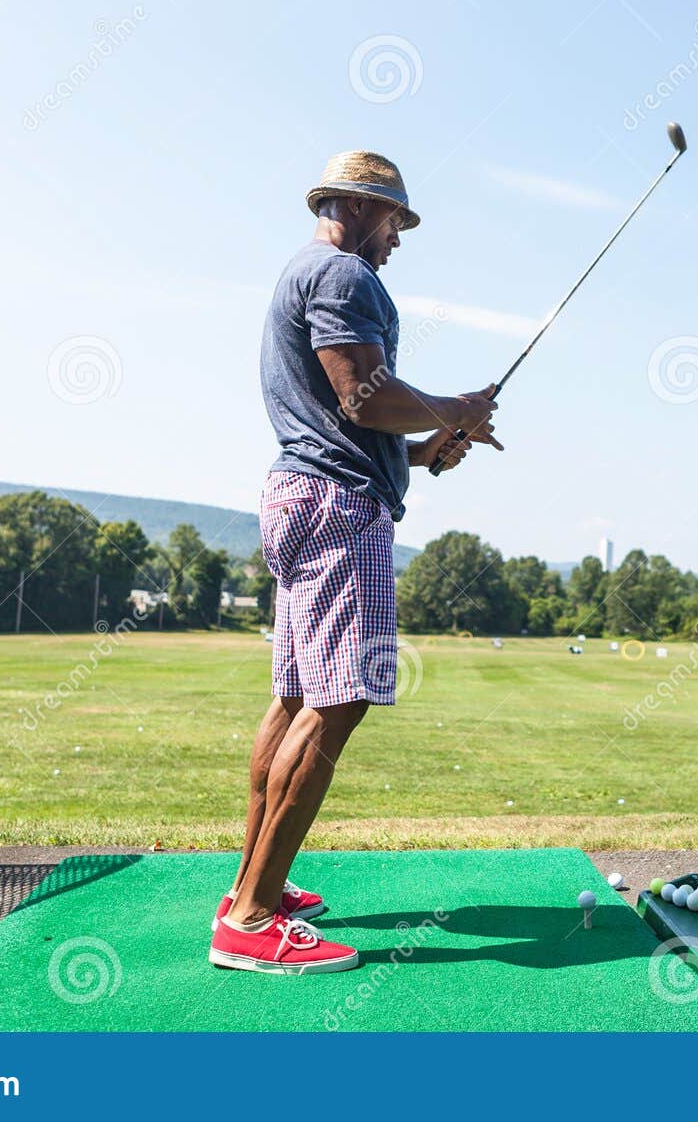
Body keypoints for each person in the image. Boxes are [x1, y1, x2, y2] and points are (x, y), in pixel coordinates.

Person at [209, 150, 500, 974]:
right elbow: (363, 396)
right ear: (356, 206)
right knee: (341, 703)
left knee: (298, 694)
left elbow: (359, 419)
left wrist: (425, 447)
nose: (399, 239)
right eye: (394, 221)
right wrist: (458, 407)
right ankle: (254, 920)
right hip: (338, 508)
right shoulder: (343, 275)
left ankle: (246, 891)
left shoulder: (305, 272)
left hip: (306, 492)